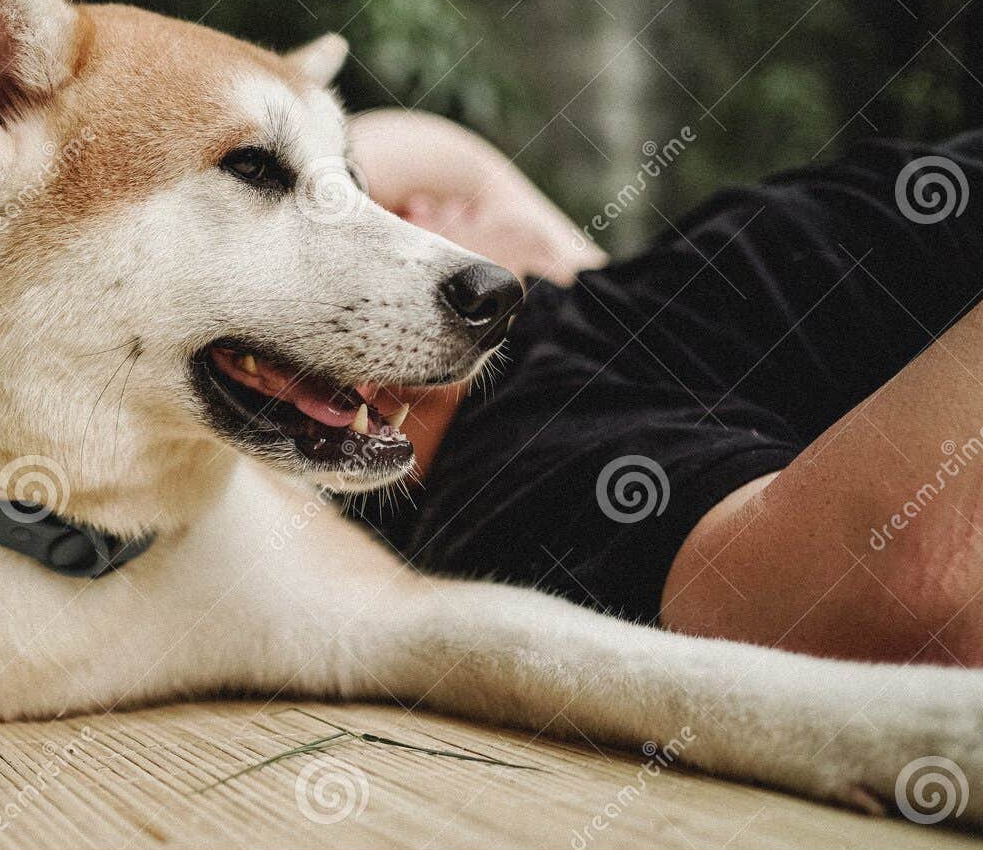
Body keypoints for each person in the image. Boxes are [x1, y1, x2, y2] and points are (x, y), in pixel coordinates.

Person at [347, 108, 983, 668]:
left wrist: (560, 262)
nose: (422, 210)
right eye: (385, 226)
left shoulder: (592, 320)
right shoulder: (525, 462)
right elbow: (899, 601)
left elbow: (429, 149)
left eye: (366, 199)